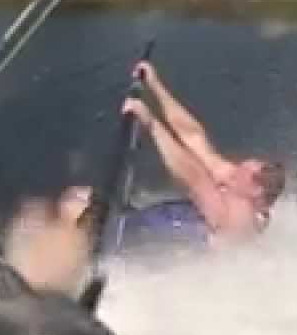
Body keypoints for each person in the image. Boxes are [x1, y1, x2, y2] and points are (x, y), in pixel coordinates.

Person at [119, 60, 285, 250]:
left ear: (256, 190)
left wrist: (152, 124)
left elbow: (193, 177)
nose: (233, 170)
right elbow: (195, 138)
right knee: (86, 199)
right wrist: (155, 86)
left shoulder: (237, 218)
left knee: (81, 205)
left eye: (241, 171)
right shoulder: (242, 188)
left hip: (158, 239)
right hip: (163, 220)